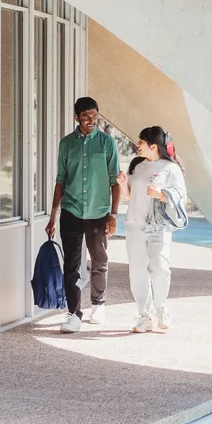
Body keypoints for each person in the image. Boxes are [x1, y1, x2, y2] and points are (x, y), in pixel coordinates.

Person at [46, 97, 121, 333]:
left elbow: (115, 182)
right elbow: (60, 181)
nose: (91, 121)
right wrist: (52, 217)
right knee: (71, 264)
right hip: (71, 211)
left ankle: (98, 304)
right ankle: (74, 313)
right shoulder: (67, 144)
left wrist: (114, 214)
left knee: (99, 260)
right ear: (76, 117)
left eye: (95, 116)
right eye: (86, 116)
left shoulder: (107, 143)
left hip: (98, 213)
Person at [116, 126, 187, 333]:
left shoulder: (171, 169)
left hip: (159, 227)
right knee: (137, 272)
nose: (137, 145)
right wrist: (122, 184)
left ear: (153, 146)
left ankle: (161, 308)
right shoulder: (137, 166)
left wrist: (162, 195)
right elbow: (129, 196)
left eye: (141, 142)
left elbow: (181, 197)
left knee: (161, 269)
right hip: (134, 225)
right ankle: (144, 315)